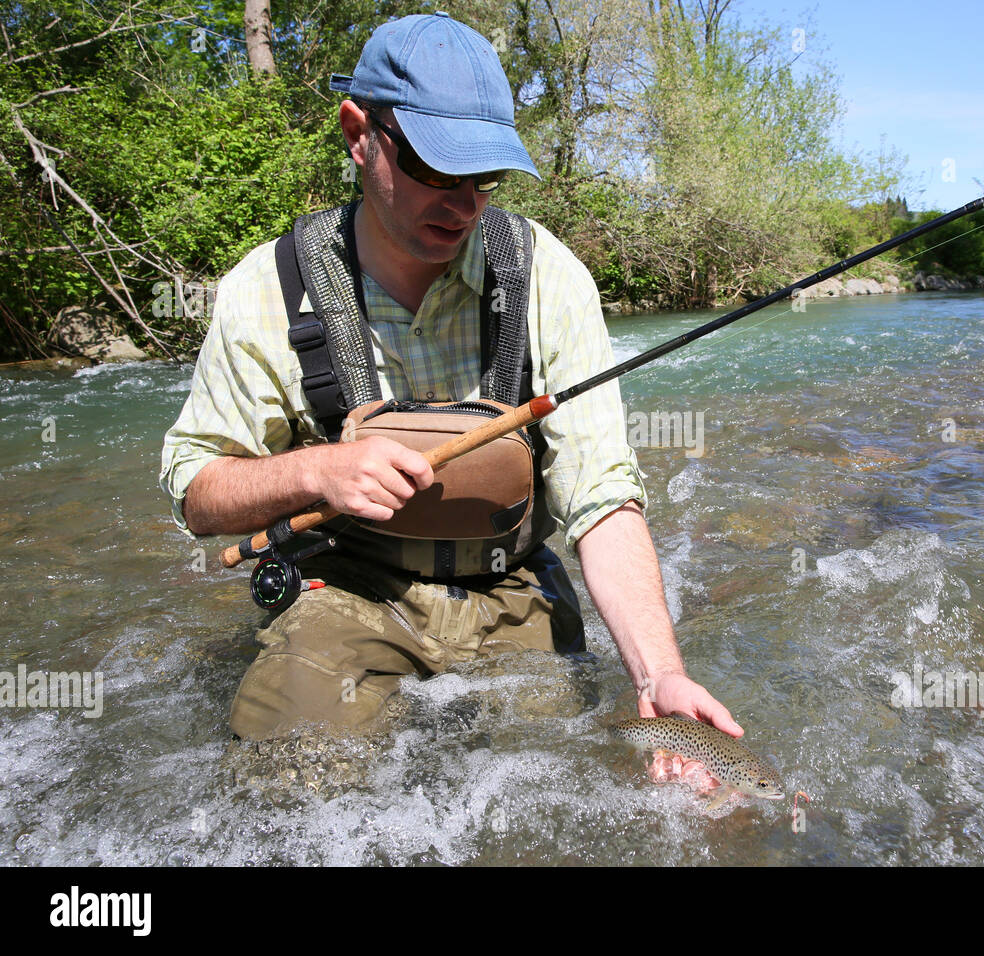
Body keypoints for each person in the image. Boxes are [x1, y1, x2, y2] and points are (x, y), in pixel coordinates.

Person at [159, 12, 741, 745]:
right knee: (295, 780)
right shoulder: (266, 289)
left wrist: (659, 676)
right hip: (347, 590)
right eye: (436, 168)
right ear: (358, 133)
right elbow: (196, 493)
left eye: (486, 176)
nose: (464, 203)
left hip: (513, 591)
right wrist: (321, 471)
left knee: (551, 791)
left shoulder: (548, 278)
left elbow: (602, 498)